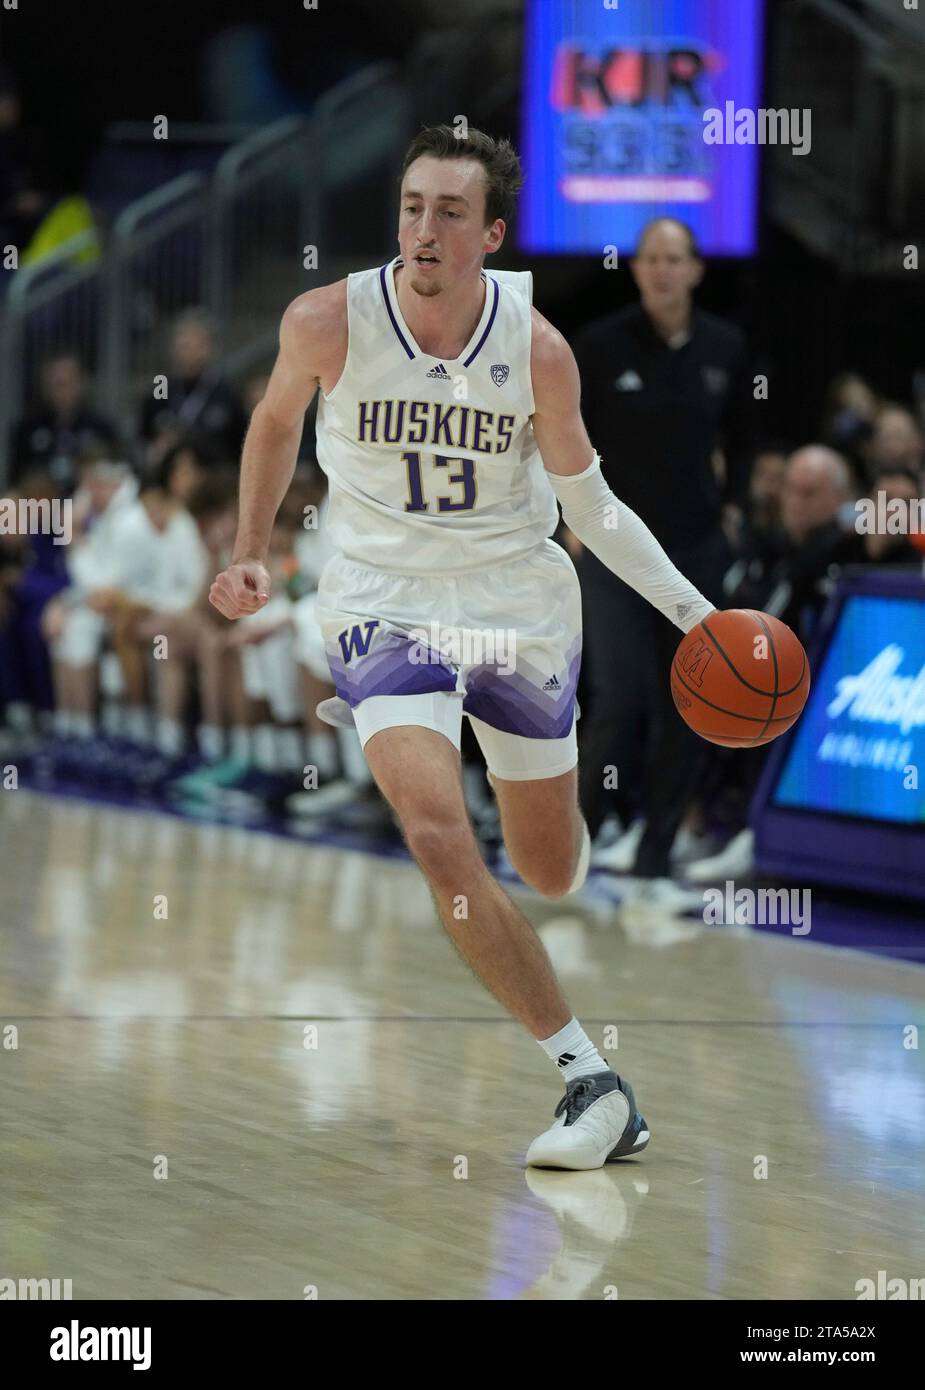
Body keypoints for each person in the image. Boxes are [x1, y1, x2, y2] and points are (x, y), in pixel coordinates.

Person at [209, 124, 722, 1171]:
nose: (423, 230)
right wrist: (251, 549)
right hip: (380, 600)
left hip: (515, 603)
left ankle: (560, 824)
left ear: (490, 233)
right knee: (438, 832)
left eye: (449, 212)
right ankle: (591, 1076)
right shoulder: (326, 320)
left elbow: (595, 506)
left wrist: (698, 618)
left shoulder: (535, 347)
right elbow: (272, 425)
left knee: (548, 867)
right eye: (410, 206)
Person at [569, 218, 754, 896]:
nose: (661, 270)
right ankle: (573, 845)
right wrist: (572, 518)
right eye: (650, 259)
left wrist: (733, 510)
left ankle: (654, 854)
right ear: (637, 268)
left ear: (696, 270)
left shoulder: (724, 346)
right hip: (613, 548)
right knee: (618, 696)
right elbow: (564, 435)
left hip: (694, 547)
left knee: (690, 700)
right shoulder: (599, 344)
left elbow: (744, 436)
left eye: (674, 259)